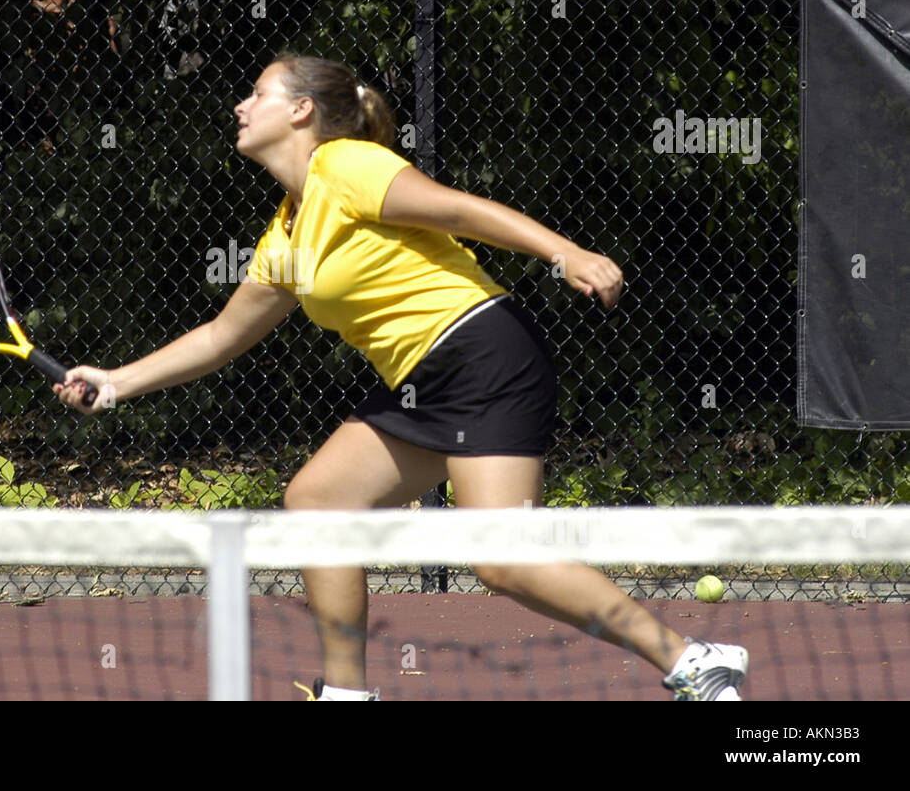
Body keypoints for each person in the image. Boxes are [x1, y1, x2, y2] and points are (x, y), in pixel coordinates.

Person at [54, 53, 749, 701]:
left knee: (500, 561)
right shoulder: (286, 236)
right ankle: (347, 694)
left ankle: (690, 659)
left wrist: (563, 252)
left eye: (257, 93)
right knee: (319, 503)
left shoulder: (346, 165)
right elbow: (222, 336)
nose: (240, 105)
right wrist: (116, 381)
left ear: (301, 112)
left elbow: (456, 209)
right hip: (421, 383)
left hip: (482, 355)